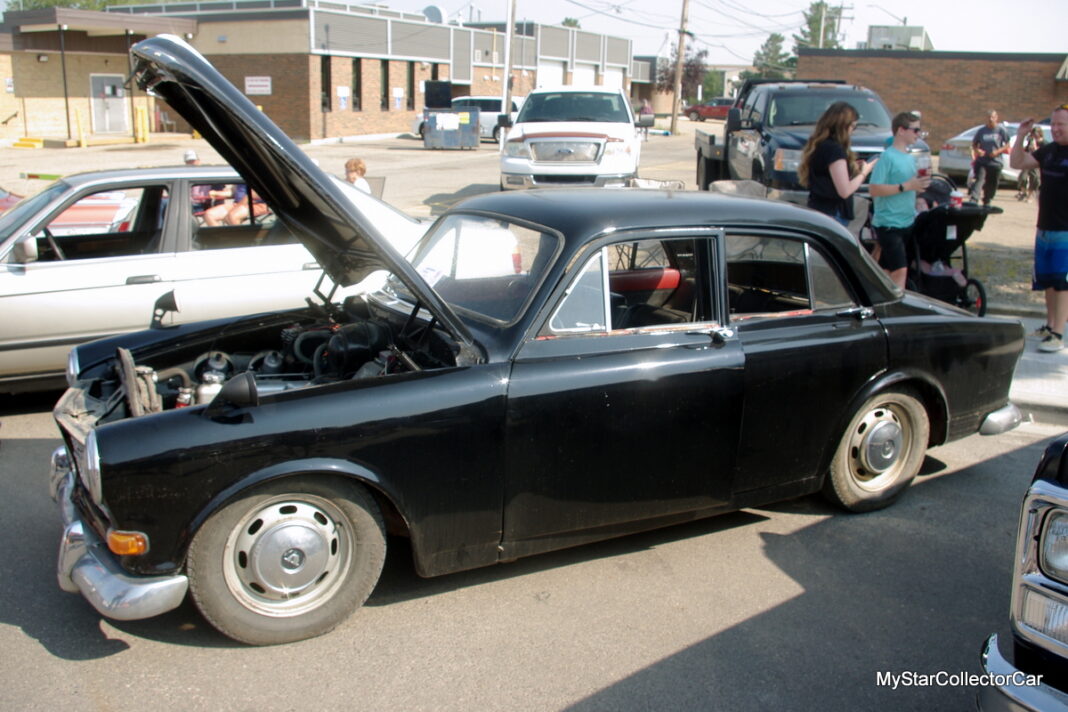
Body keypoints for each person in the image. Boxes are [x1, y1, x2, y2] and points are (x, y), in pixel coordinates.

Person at [1010, 104, 1068, 353]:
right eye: (1053, 124)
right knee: (1048, 281)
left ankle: (1058, 333)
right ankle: (1049, 325)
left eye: (1061, 124)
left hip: (1066, 230)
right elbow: (1017, 162)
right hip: (1045, 226)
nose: (1055, 128)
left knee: (1062, 283)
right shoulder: (1049, 151)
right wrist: (1021, 135)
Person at [868, 111, 932, 289]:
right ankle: (898, 304)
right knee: (900, 270)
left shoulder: (909, 158)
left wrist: (919, 187)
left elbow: (911, 187)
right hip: (889, 223)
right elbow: (874, 189)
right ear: (901, 130)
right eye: (915, 130)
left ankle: (876, 297)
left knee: (887, 270)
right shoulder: (887, 157)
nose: (918, 134)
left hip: (906, 221)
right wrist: (906, 186)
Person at [798, 101, 875, 227]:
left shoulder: (820, 145)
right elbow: (844, 191)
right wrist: (864, 173)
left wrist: (849, 167)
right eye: (853, 126)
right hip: (833, 212)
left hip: (818, 207)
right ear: (843, 126)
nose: (853, 131)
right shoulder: (835, 150)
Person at [970, 110, 1011, 206]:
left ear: (996, 118)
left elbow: (1007, 144)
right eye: (989, 117)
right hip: (982, 160)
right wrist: (977, 151)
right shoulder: (981, 131)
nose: (990, 119)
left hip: (995, 161)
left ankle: (987, 199)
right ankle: (974, 199)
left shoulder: (1001, 130)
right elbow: (974, 144)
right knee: (979, 179)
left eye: (992, 117)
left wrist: (998, 151)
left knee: (992, 183)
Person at [1015, 126, 1045, 202]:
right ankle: (1023, 192)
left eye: (1035, 134)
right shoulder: (1030, 141)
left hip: (1036, 163)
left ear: (1039, 134)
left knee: (1034, 179)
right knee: (1022, 177)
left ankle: (1030, 195)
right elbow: (1026, 150)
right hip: (1028, 162)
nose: (1034, 136)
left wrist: (1035, 147)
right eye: (1033, 134)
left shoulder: (1044, 143)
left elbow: (1041, 153)